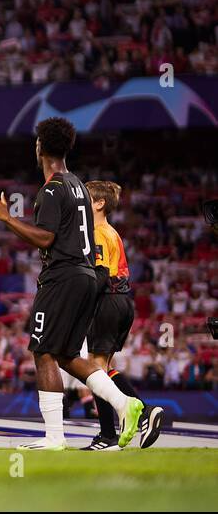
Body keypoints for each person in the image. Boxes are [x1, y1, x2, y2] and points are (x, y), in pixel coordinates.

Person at [0, 116, 143, 450]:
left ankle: (54, 438)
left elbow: (46, 238)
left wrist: (7, 217)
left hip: (62, 277)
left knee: (43, 353)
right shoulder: (79, 184)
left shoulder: (51, 189)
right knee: (66, 355)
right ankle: (125, 403)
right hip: (86, 276)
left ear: (40, 148)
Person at [81, 180, 164, 450]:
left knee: (95, 370)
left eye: (85, 197)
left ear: (99, 203)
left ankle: (134, 418)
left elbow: (101, 274)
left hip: (107, 301)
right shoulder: (111, 231)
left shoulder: (98, 232)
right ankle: (110, 433)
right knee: (101, 369)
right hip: (120, 302)